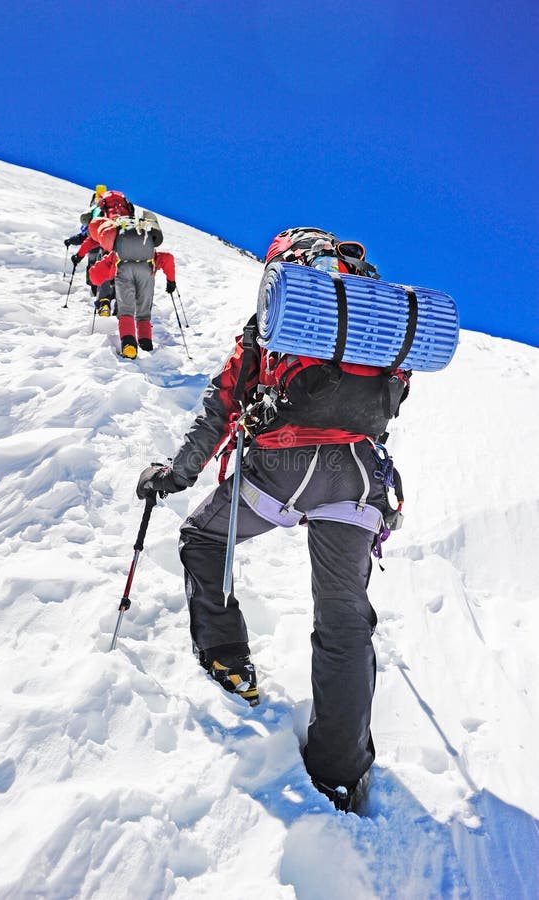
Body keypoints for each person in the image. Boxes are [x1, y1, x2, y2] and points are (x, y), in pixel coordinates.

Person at [135, 228, 410, 812]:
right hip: (359, 477)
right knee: (343, 620)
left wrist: (179, 474)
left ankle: (227, 659)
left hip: (280, 470)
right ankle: (342, 771)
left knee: (200, 538)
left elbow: (222, 403)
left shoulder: (274, 322)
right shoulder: (373, 320)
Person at [85, 214, 171, 357]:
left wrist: (96, 278)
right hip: (146, 271)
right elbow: (167, 258)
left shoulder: (116, 250)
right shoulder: (147, 246)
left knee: (126, 311)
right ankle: (146, 343)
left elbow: (96, 275)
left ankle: (129, 346)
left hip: (123, 271)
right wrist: (171, 280)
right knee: (144, 313)